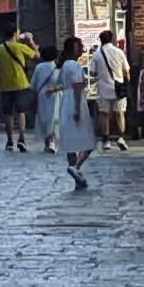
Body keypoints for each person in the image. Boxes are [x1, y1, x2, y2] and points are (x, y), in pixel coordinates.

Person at [53, 38, 101, 192]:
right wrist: (78, 109)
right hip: (76, 102)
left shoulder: (65, 65)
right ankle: (76, 167)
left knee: (70, 141)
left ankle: (75, 173)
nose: (81, 48)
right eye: (78, 46)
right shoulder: (75, 66)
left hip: (65, 103)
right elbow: (77, 87)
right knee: (89, 141)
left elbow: (62, 84)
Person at [0, 25, 38, 152]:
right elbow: (37, 55)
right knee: (21, 112)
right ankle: (21, 139)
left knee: (8, 114)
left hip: (5, 86)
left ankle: (10, 141)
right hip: (21, 84)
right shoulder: (19, 47)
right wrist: (31, 40)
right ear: (14, 34)